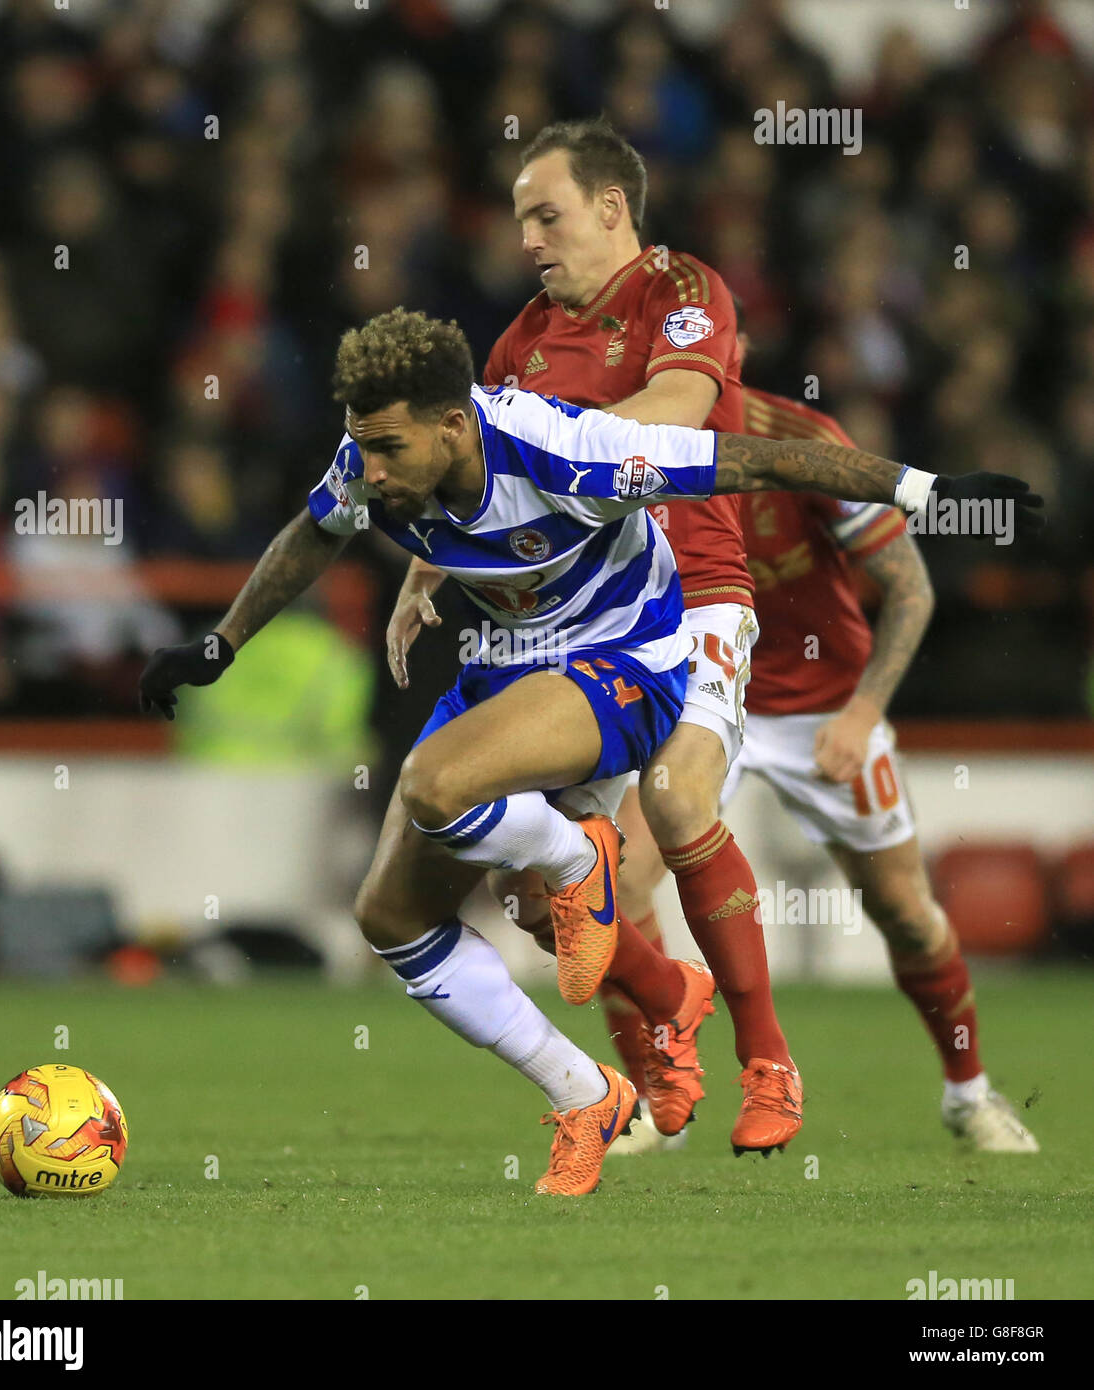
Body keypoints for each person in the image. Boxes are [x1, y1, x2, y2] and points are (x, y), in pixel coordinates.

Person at [139, 306, 1041, 1195]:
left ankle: (584, 866)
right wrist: (220, 644)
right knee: (392, 920)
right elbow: (312, 532)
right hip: (507, 670)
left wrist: (927, 490)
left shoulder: (568, 450)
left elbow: (757, 460)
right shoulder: (368, 464)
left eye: (388, 449)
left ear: (455, 426)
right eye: (362, 447)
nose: (370, 471)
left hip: (628, 666)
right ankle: (590, 1092)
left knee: (433, 784)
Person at [388, 116, 803, 1155]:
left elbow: (673, 411)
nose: (528, 237)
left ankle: (768, 1060)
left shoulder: (682, 292)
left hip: (695, 588)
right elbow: (464, 467)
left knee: (674, 796)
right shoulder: (519, 340)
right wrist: (421, 569)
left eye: (547, 213)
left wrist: (555, 441)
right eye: (521, 217)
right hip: (575, 620)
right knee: (535, 896)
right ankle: (668, 1011)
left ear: (610, 208)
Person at [605, 349, 1039, 1154]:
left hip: (823, 708)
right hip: (707, 693)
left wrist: (865, 710)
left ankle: (968, 1093)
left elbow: (911, 587)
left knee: (905, 913)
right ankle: (656, 1097)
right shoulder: (633, 444)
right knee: (620, 879)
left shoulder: (801, 443)